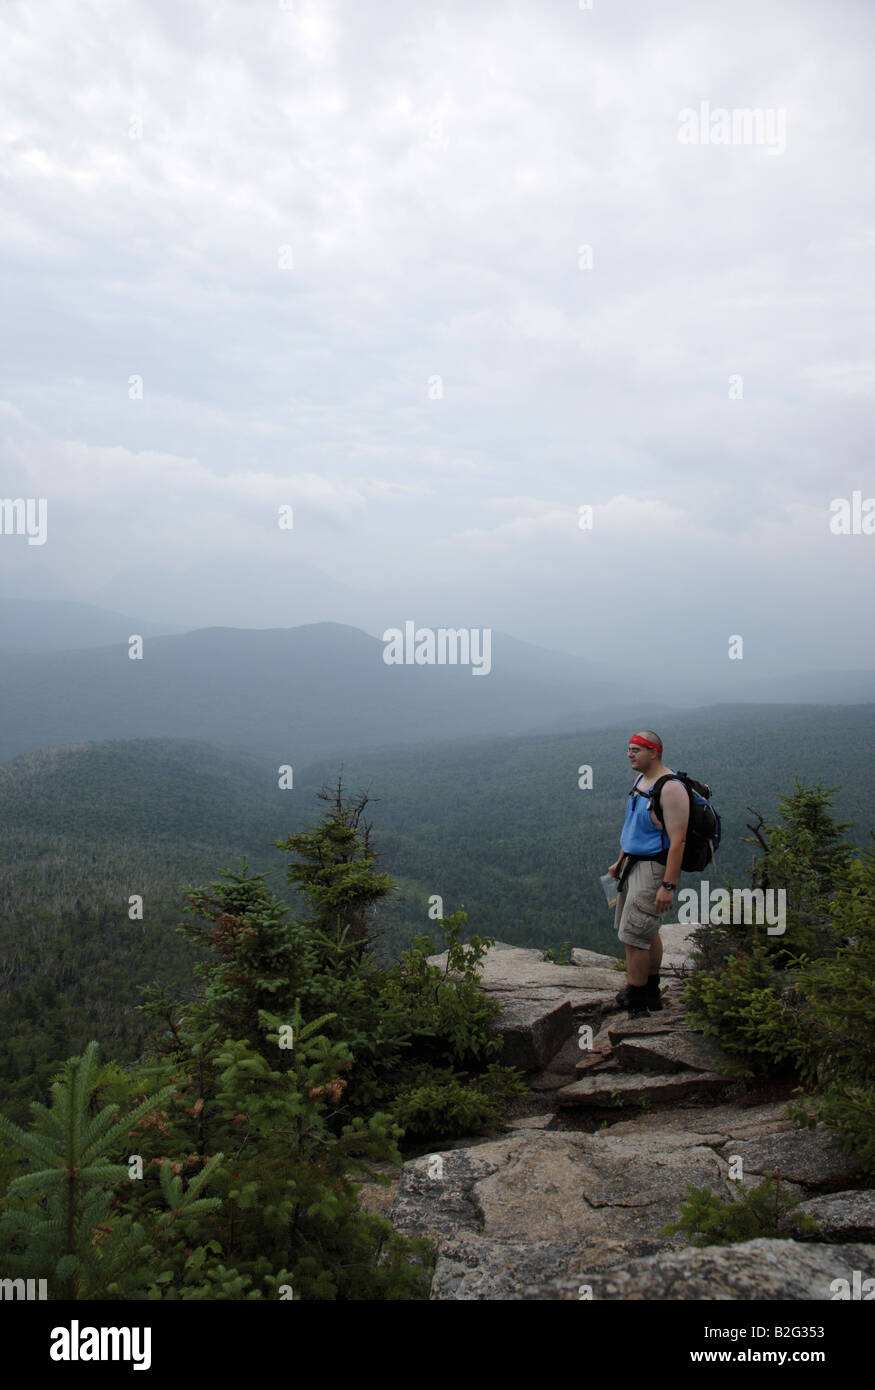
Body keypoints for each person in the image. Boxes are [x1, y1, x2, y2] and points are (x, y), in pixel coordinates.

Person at [607, 731, 690, 1018]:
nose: (630, 754)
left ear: (654, 752)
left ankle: (637, 998)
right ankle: (650, 991)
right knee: (646, 930)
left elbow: (678, 840)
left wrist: (668, 884)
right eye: (629, 749)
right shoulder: (641, 781)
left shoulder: (670, 788)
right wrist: (620, 861)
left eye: (636, 750)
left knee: (633, 936)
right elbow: (632, 825)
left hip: (653, 868)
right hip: (633, 863)